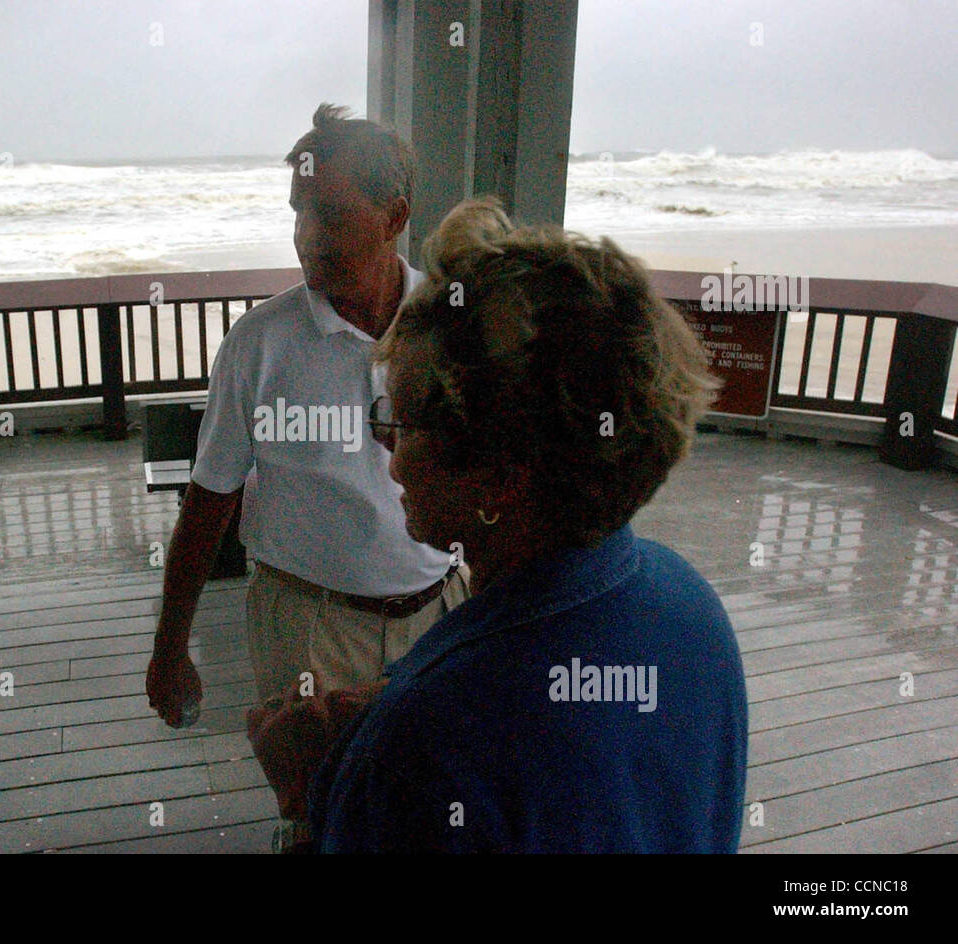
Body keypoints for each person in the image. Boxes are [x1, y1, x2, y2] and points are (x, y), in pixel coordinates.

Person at [252, 197, 749, 852]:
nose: (386, 452)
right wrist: (408, 691)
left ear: (498, 477)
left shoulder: (419, 753)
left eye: (401, 424)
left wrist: (313, 790)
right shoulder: (690, 608)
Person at [146, 104, 468, 738]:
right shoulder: (260, 345)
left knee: (436, 795)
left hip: (445, 613)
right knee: (321, 807)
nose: (306, 235)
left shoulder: (452, 323)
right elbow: (209, 500)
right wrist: (169, 647)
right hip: (309, 634)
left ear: (395, 218)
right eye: (298, 209)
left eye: (331, 215)